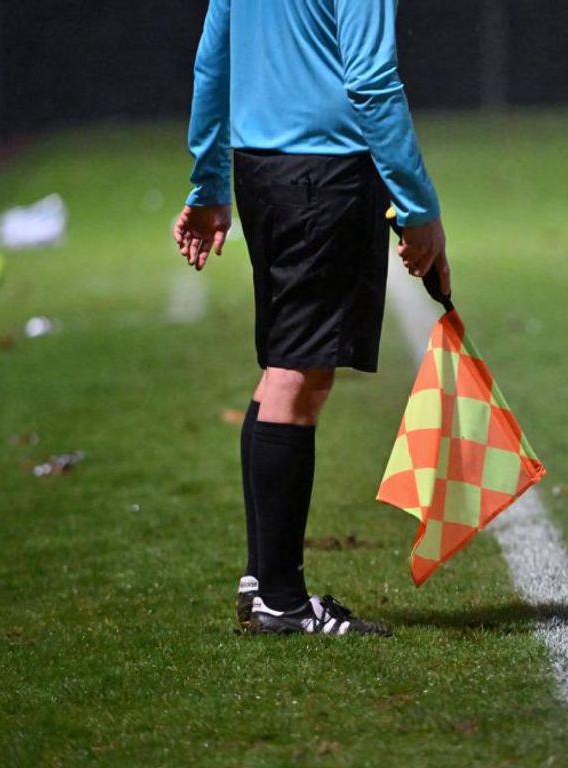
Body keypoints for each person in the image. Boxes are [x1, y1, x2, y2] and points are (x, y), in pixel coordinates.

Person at [173, 0, 450, 637]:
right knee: (300, 377)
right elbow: (372, 79)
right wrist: (418, 206)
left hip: (262, 170)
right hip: (326, 174)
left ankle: (262, 577)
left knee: (282, 370)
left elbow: (212, 63)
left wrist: (211, 182)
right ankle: (282, 601)